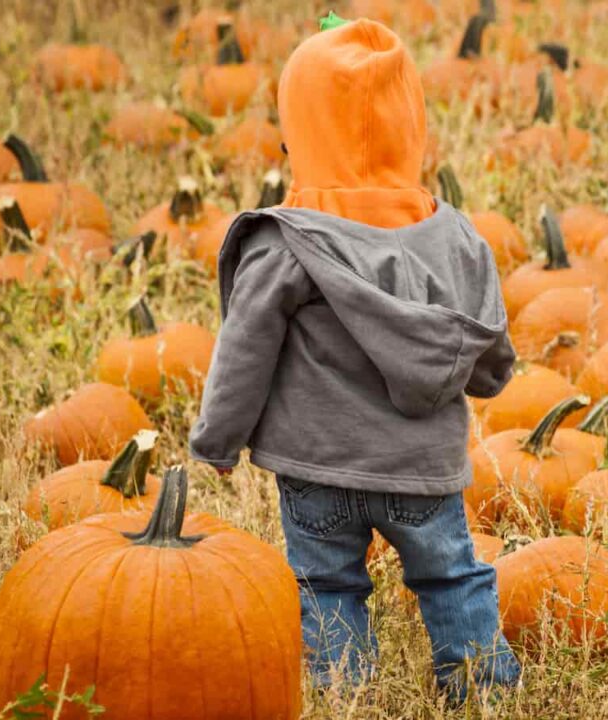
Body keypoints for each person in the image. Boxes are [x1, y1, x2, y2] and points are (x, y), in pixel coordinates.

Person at [188, 12, 521, 702]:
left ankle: (347, 696)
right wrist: (487, 375)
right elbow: (487, 344)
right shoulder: (454, 236)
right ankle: (483, 690)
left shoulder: (283, 244)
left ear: (296, 133)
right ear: (412, 125)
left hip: (316, 469)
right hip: (421, 469)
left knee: (328, 585)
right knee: (452, 575)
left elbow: (244, 350)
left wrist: (218, 440)